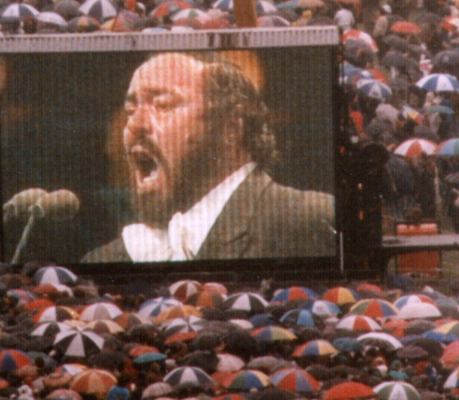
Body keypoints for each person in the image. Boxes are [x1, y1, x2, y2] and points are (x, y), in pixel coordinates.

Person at [81, 52, 335, 263]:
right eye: (130, 109)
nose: (133, 125)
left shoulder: (313, 220)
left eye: (162, 105)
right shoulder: (107, 258)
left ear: (230, 129)